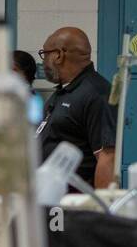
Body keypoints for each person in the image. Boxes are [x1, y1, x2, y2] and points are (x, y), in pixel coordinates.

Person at [37, 27, 116, 188]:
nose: (43, 62)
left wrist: (102, 210)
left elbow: (108, 158)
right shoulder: (65, 90)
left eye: (45, 55)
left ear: (58, 55)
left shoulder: (96, 93)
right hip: (49, 200)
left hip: (73, 205)